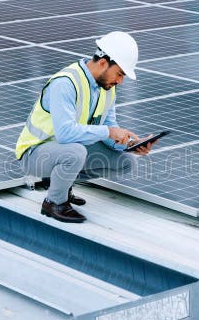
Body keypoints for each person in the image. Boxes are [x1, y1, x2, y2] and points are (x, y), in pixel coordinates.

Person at [15, 31, 155, 223]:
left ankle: (60, 184)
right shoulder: (66, 83)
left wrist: (129, 144)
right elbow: (65, 134)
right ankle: (54, 203)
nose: (120, 81)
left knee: (126, 162)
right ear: (104, 62)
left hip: (67, 150)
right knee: (76, 152)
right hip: (35, 154)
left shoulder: (107, 89)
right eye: (120, 73)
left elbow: (108, 129)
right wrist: (108, 132)